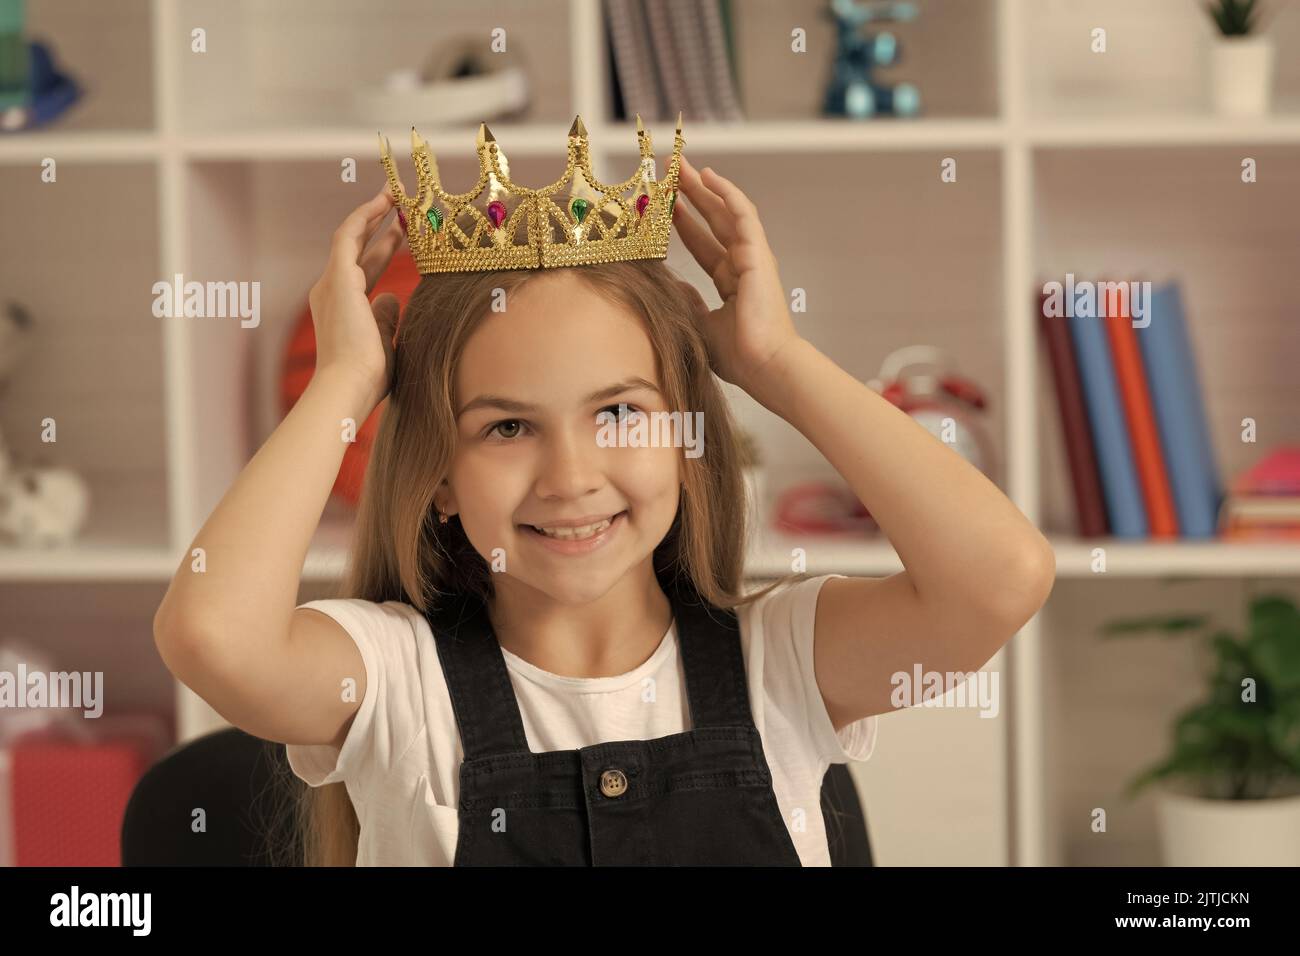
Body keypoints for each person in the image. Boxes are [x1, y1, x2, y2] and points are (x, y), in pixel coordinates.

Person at [154, 134, 1055, 867]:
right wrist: (346, 381)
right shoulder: (396, 684)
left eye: (620, 414)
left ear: (689, 442)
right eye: (507, 428)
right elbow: (212, 635)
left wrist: (777, 365)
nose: (571, 476)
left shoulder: (782, 663)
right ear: (436, 480)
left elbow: (1001, 578)